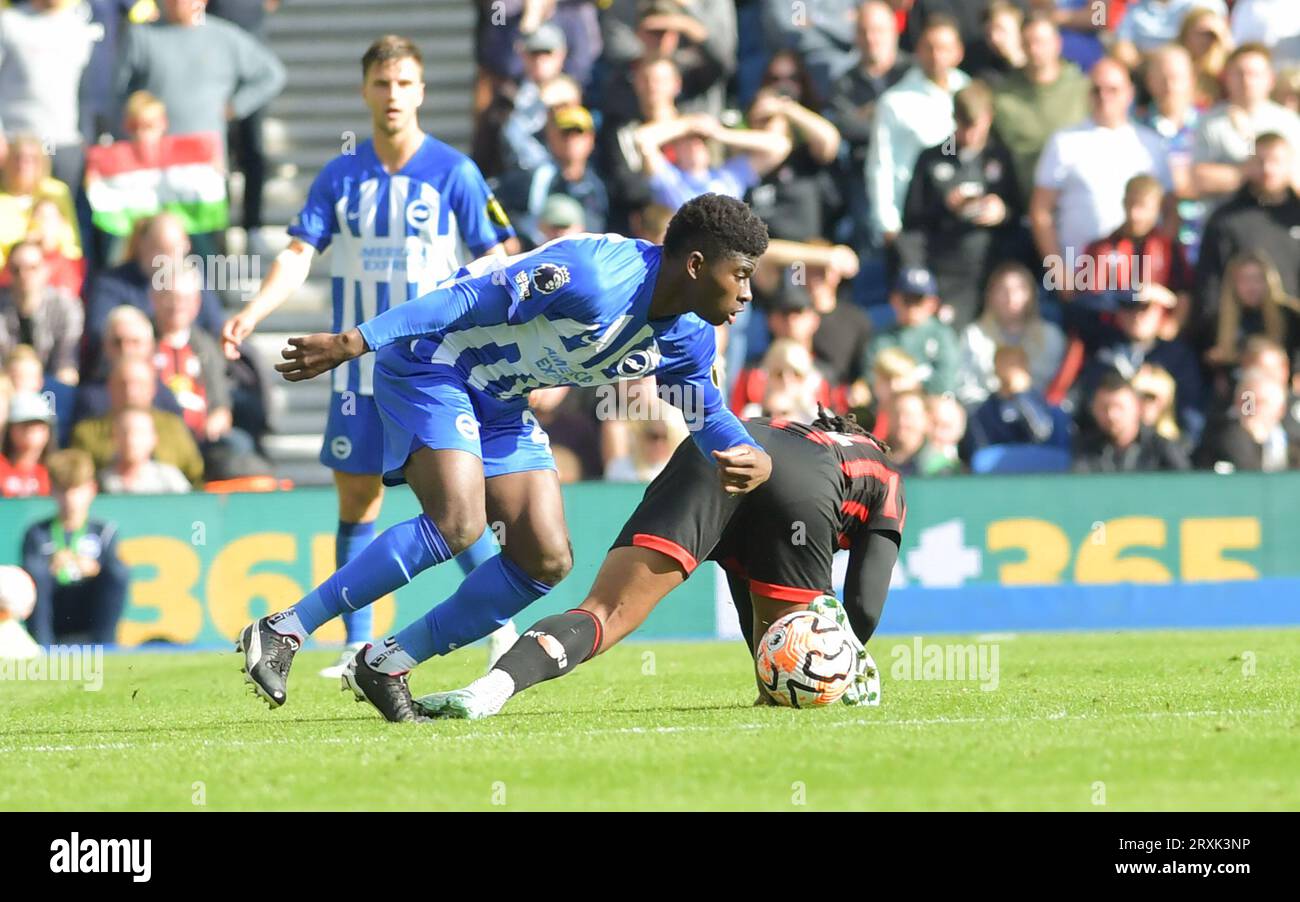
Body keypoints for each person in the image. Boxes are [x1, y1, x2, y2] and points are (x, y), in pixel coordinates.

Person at [236, 193, 774, 722]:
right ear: (697, 265)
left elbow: (704, 416)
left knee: (544, 558)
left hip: (501, 399)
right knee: (458, 523)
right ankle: (284, 628)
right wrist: (359, 340)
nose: (748, 293)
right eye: (742, 273)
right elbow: (464, 300)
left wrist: (754, 456)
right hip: (434, 361)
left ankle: (385, 663)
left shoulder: (689, 338)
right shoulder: (595, 274)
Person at [221, 36, 517, 677]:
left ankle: (499, 624)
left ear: (420, 92)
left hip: (434, 367)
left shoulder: (453, 172)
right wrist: (254, 311)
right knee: (356, 504)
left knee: (452, 508)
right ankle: (357, 645)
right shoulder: (340, 175)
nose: (393, 96)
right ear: (364, 90)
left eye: (405, 84)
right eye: (382, 84)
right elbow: (299, 252)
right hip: (354, 370)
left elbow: (502, 253)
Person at [413, 410, 902, 719]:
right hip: (801, 487)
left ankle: (493, 687)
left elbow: (745, 571)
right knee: (791, 669)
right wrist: (848, 658)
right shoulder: (882, 470)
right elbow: (862, 599)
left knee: (603, 611)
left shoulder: (793, 426)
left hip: (715, 447)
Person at [899, 79, 1024, 327]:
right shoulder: (933, 158)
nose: (969, 134)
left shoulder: (1001, 157)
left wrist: (1002, 213)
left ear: (988, 118)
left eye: (975, 125)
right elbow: (912, 223)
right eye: (963, 124)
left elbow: (1020, 213)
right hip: (947, 273)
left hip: (992, 271)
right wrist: (945, 206)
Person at [1030, 58, 1172, 277]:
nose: (1104, 97)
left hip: (1139, 280)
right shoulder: (1064, 142)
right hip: (1082, 279)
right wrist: (1059, 275)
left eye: (1113, 90)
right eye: (1097, 90)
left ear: (1130, 93)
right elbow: (1041, 212)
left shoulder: (1151, 144)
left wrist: (1161, 271)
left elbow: (1170, 210)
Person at [867, 14, 971, 247]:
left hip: (962, 220)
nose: (936, 56)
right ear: (918, 51)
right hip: (914, 218)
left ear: (958, 52)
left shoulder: (970, 91)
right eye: (929, 48)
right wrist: (887, 223)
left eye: (944, 48)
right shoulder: (894, 102)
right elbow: (881, 165)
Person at [1194, 133, 1300, 346]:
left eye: (1276, 161)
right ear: (1248, 165)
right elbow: (1209, 286)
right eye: (1260, 161)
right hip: (1240, 341)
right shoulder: (1227, 219)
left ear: (1289, 164)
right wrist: (1215, 340)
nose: (1268, 169)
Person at [21, 449, 130, 646]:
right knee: (35, 572)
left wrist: (94, 569)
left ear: (91, 489)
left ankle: (105, 647)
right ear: (52, 490)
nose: (70, 498)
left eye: (76, 489)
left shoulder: (105, 531)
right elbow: (30, 577)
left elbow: (114, 575)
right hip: (54, 610)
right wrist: (50, 567)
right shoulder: (37, 532)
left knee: (118, 571)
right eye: (63, 489)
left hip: (89, 609)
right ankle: (43, 647)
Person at [992, 12, 1089, 205]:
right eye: (1028, 43)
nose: (1034, 50)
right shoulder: (1003, 97)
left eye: (1041, 42)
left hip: (1077, 202)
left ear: (1057, 43)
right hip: (1025, 204)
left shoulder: (1084, 89)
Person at [1193, 44, 1300, 212]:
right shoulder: (1210, 122)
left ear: (1270, 79)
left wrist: (1249, 168)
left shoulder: (1289, 123)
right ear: (1227, 78)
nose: (1247, 81)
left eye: (1254, 74)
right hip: (1228, 221)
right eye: (1239, 74)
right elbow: (1198, 179)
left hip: (1280, 221)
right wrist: (1250, 170)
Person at [71, 355, 204, 485]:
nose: (130, 391)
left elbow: (195, 476)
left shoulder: (173, 427)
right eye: (122, 384)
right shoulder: (87, 432)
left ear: (152, 388)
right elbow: (78, 479)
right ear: (110, 387)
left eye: (138, 384)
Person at [956, 261, 1065, 408]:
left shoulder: (1051, 336)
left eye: (1019, 290)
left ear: (1031, 295)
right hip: (987, 413)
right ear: (990, 295)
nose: (1010, 297)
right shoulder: (973, 336)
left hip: (1039, 413)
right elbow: (965, 385)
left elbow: (1058, 386)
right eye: (1003, 290)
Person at [633, 110, 791, 212]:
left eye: (701, 141)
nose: (695, 145)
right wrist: (688, 124)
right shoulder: (669, 179)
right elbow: (642, 139)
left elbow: (780, 146)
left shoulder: (728, 176)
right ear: (676, 150)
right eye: (688, 140)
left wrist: (719, 133)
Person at [863, 267, 960, 396]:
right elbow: (870, 377)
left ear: (932, 303)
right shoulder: (882, 337)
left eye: (918, 300)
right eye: (907, 299)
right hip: (888, 406)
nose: (912, 306)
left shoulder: (943, 335)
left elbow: (946, 382)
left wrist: (910, 384)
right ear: (894, 299)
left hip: (930, 407)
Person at [1072, 371, 1191, 472]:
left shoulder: (1163, 448)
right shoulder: (1083, 449)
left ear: (1136, 408)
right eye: (1104, 408)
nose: (1112, 415)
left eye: (1119, 407)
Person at [0, 241, 83, 386]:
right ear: (8, 273)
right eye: (16, 269)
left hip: (50, 382)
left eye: (32, 268)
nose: (24, 275)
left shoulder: (66, 306)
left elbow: (66, 361)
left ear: (45, 269)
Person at [1196, 369, 1300, 471]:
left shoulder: (1290, 438)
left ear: (1280, 409)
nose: (1252, 408)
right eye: (1247, 402)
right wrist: (1252, 436)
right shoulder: (1224, 432)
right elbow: (1250, 475)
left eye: (1261, 402)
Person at [97, 406, 193, 494]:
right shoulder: (101, 481)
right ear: (114, 438)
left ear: (154, 439)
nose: (131, 440)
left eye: (140, 433)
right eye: (124, 432)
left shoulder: (170, 478)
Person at [0, 392, 55, 498]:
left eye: (37, 424)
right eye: (24, 424)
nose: (30, 429)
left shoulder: (56, 471)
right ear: (11, 429)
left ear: (48, 431)